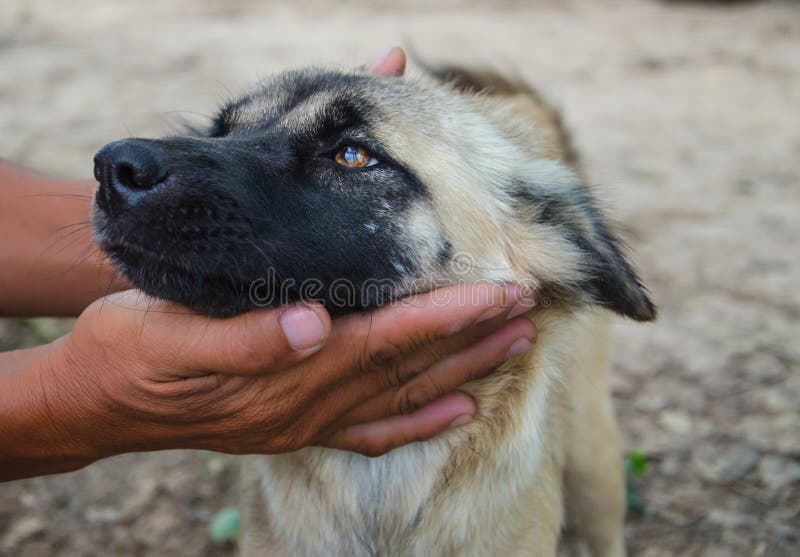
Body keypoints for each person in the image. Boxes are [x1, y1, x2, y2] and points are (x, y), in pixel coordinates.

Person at [0, 48, 537, 482]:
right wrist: (66, 400)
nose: (128, 167)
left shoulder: (522, 248)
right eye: (223, 137)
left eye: (353, 155)